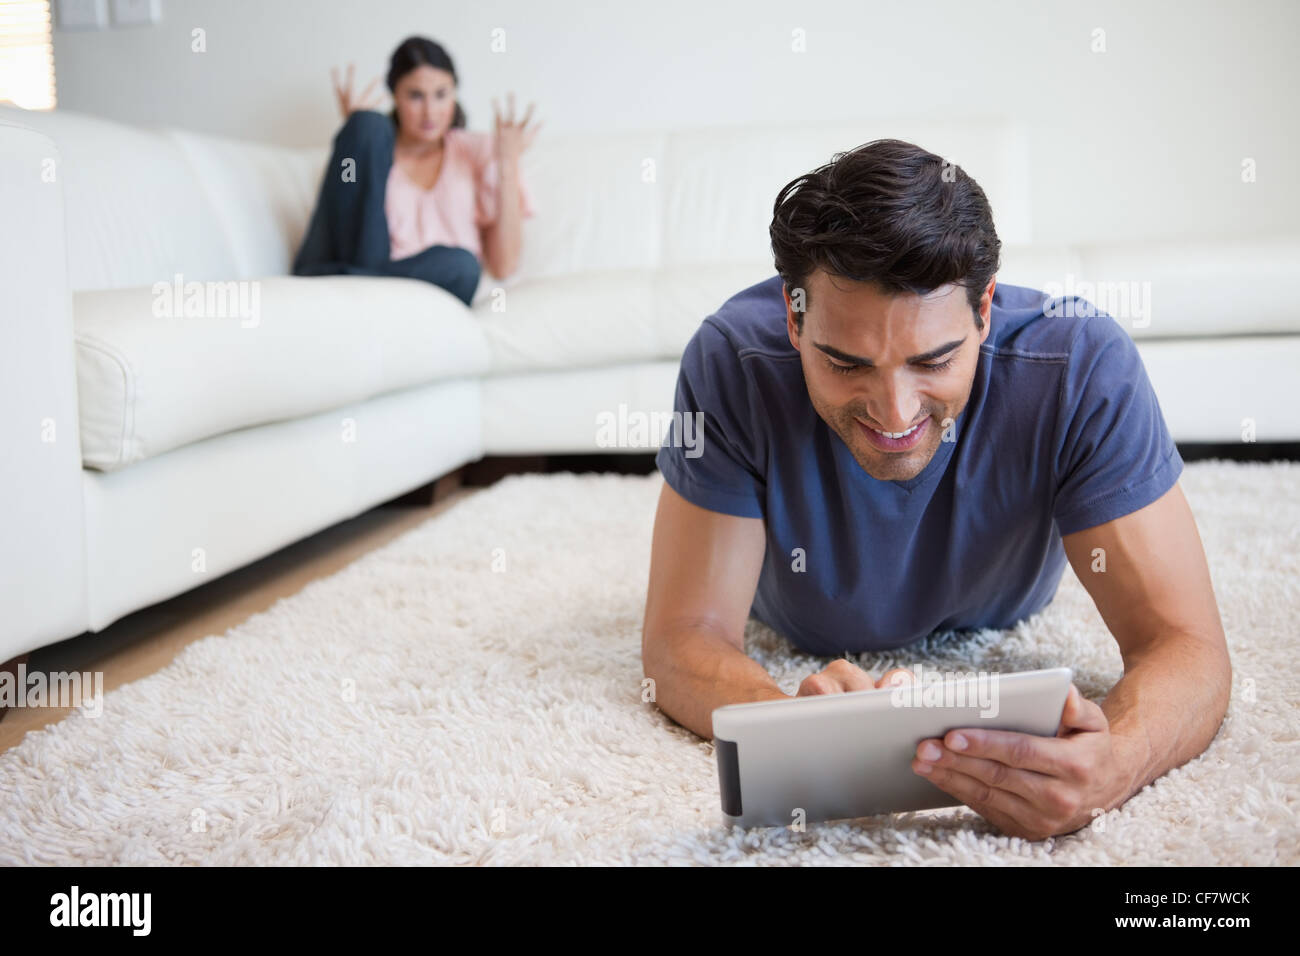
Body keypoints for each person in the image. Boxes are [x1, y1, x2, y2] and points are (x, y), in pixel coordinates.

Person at [643, 139, 1231, 841]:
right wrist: (785, 719)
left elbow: (1188, 645)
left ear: (984, 308)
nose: (894, 414)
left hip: (1006, 609)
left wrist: (1117, 764)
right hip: (796, 624)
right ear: (794, 319)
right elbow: (684, 637)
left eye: (935, 359)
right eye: (843, 362)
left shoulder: (1082, 366)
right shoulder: (730, 361)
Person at [292, 37, 539, 307]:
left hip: (431, 280)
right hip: (362, 259)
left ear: (455, 94)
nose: (430, 112)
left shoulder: (477, 150)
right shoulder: (377, 144)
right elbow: (342, 202)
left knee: (463, 266)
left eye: (441, 95)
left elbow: (504, 266)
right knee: (367, 125)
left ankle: (347, 285)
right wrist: (355, 149)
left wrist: (507, 164)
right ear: (395, 96)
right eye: (415, 96)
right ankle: (351, 285)